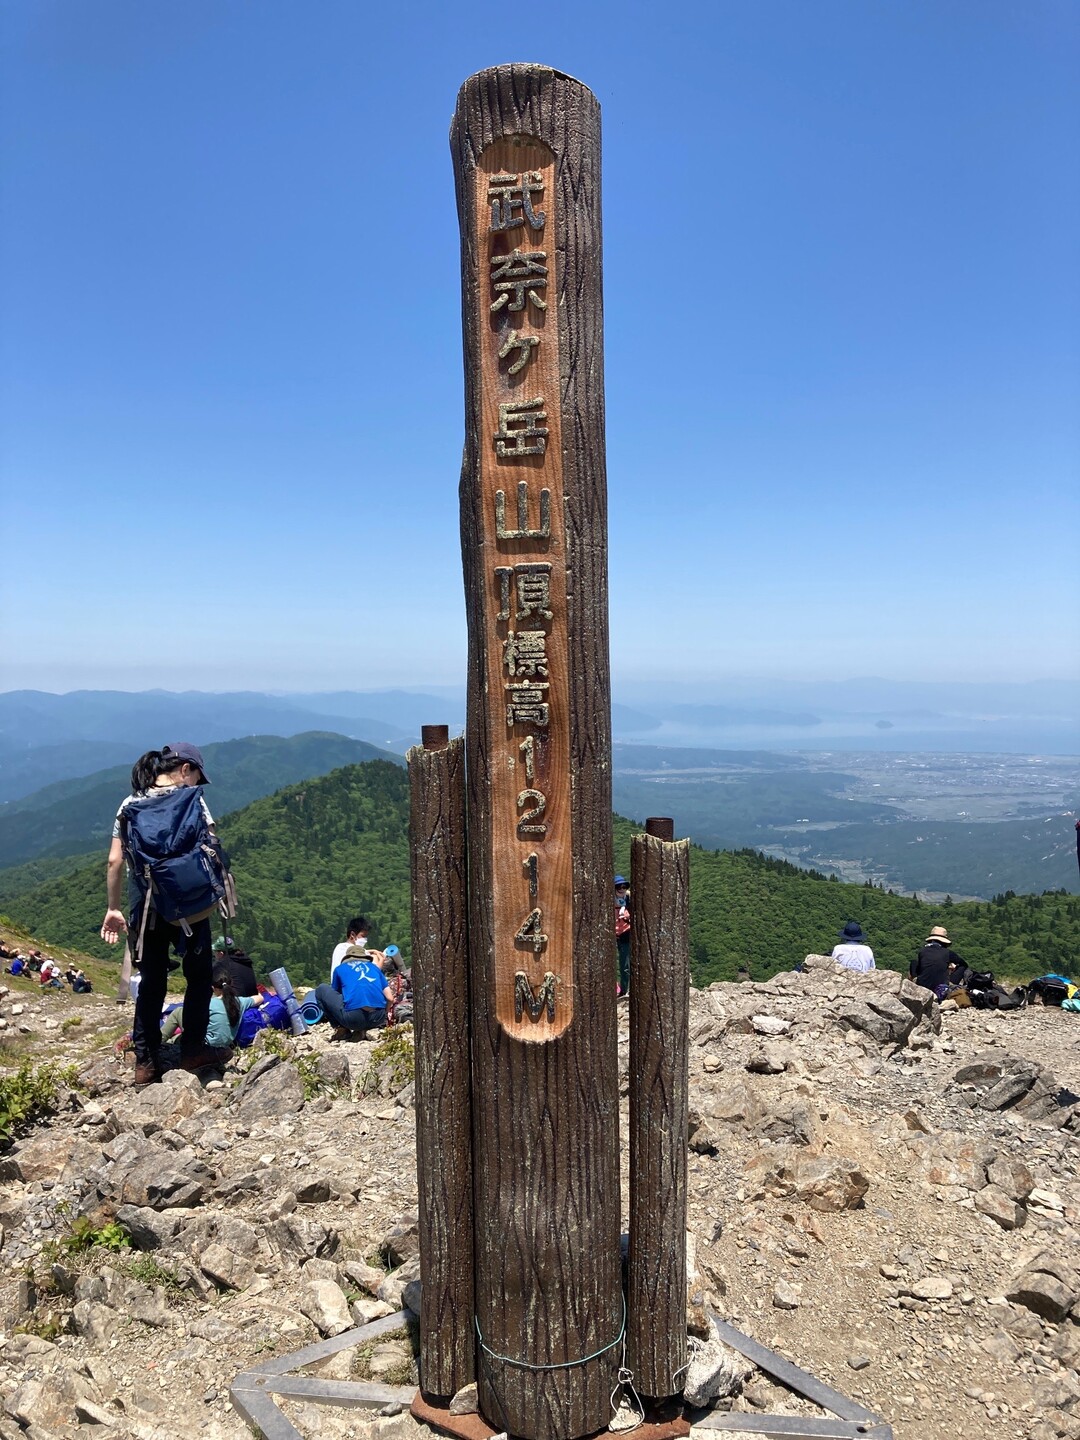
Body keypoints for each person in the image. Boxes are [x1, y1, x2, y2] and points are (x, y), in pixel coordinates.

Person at [100, 743, 220, 1085]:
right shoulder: (193, 800)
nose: (197, 783)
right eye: (197, 775)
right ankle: (193, 1049)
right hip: (190, 904)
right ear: (184, 769)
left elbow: (114, 861)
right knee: (199, 977)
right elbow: (212, 845)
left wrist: (113, 908)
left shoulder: (129, 804)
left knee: (152, 982)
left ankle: (146, 1062)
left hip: (147, 906)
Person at [314, 944, 393, 1037]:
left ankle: (341, 1029)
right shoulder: (375, 969)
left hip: (353, 1019)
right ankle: (363, 1030)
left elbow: (336, 993)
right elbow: (390, 998)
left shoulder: (340, 969)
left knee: (321, 989)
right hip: (377, 1018)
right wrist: (384, 1015)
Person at [911, 925, 966, 997]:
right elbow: (963, 964)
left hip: (923, 985)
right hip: (941, 987)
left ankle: (914, 981)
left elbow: (920, 967)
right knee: (963, 966)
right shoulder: (948, 953)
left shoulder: (922, 951)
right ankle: (951, 983)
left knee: (914, 962)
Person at [614, 877, 631, 997]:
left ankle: (624, 990)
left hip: (625, 933)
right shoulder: (607, 900)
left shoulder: (629, 900)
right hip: (611, 934)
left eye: (624, 886)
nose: (621, 889)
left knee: (625, 965)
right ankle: (615, 987)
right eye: (618, 887)